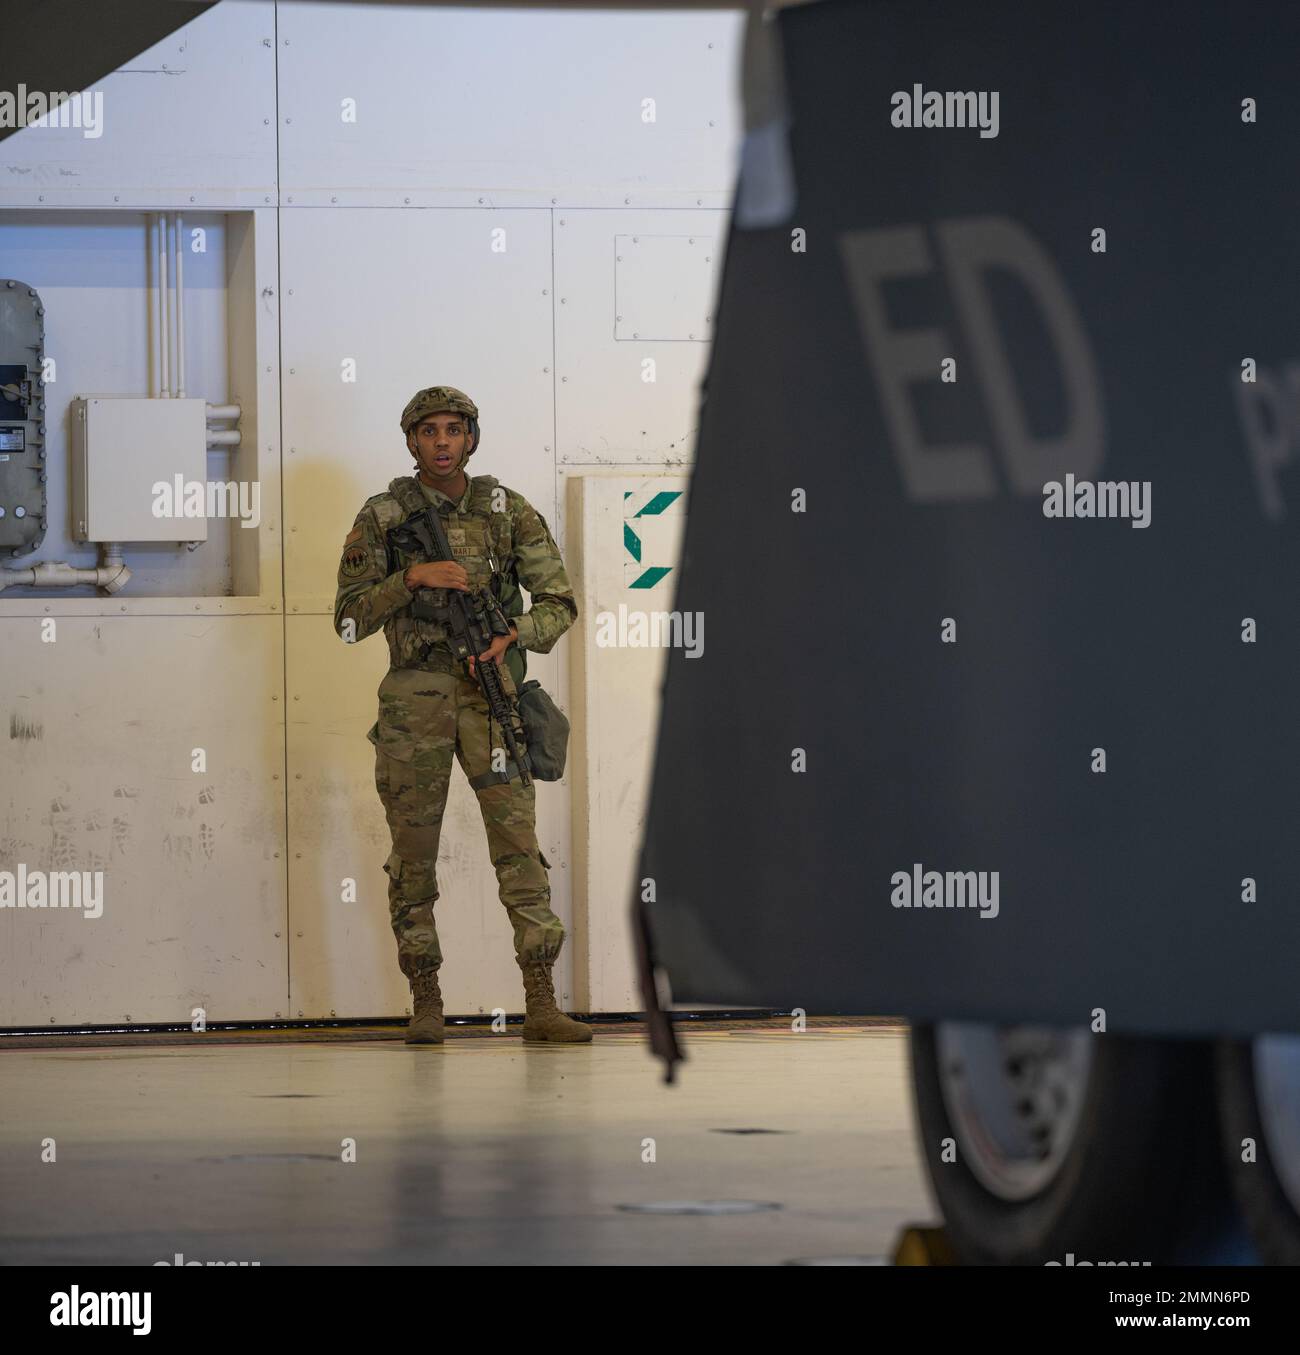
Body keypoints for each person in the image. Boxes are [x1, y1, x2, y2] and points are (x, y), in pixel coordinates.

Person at [334, 385, 591, 1046]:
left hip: (491, 695)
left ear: (471, 438)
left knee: (519, 848)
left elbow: (560, 600)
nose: (442, 442)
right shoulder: (385, 514)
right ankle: (426, 998)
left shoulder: (507, 510)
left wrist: (515, 635)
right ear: (412, 440)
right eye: (429, 432)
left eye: (454, 430)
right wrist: (411, 580)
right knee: (413, 854)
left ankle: (540, 998)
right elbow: (346, 620)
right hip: (416, 700)